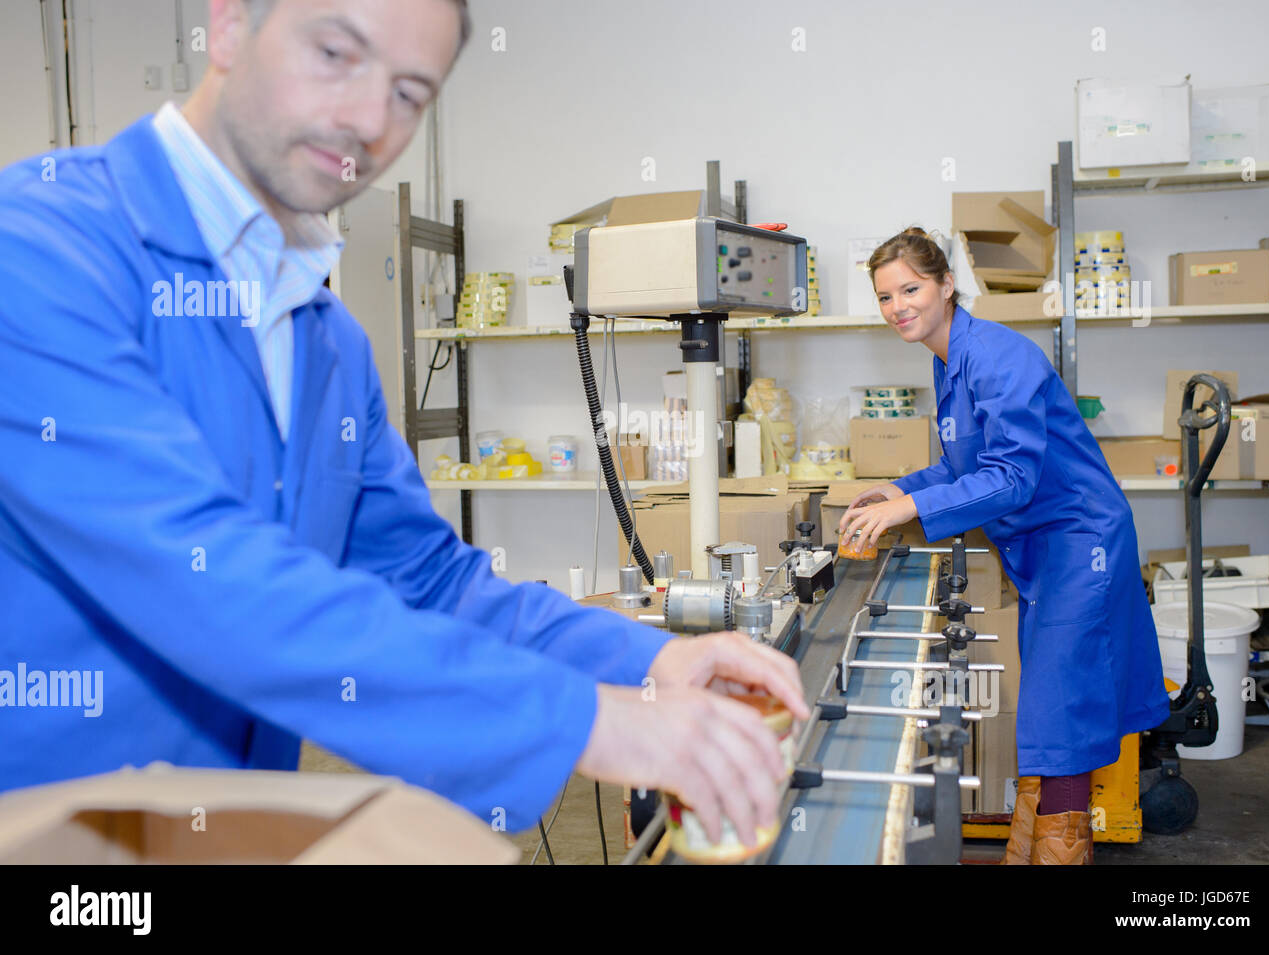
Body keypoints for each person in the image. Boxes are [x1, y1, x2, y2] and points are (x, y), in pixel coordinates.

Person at [0, 0, 808, 849]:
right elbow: (209, 580)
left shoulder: (325, 339)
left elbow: (429, 580)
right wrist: (590, 721)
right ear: (230, 25)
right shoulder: (41, 252)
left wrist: (646, 664)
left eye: (409, 92)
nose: (366, 118)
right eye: (336, 52)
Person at [838, 227, 1169, 865]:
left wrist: (913, 507)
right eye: (885, 296)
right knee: (1048, 714)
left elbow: (1012, 477)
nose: (898, 306)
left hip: (1079, 539)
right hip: (1041, 549)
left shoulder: (997, 355)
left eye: (911, 288)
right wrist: (899, 488)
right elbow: (969, 466)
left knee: (1059, 713)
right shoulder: (947, 361)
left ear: (945, 286)